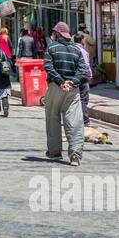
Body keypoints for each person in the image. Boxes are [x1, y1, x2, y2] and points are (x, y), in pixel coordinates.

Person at [42, 22, 87, 166]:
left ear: (57, 34)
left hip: (56, 87)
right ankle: (75, 155)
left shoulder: (51, 47)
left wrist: (61, 82)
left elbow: (48, 66)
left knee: (53, 118)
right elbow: (83, 71)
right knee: (75, 122)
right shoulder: (77, 49)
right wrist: (72, 82)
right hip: (72, 90)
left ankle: (54, 152)